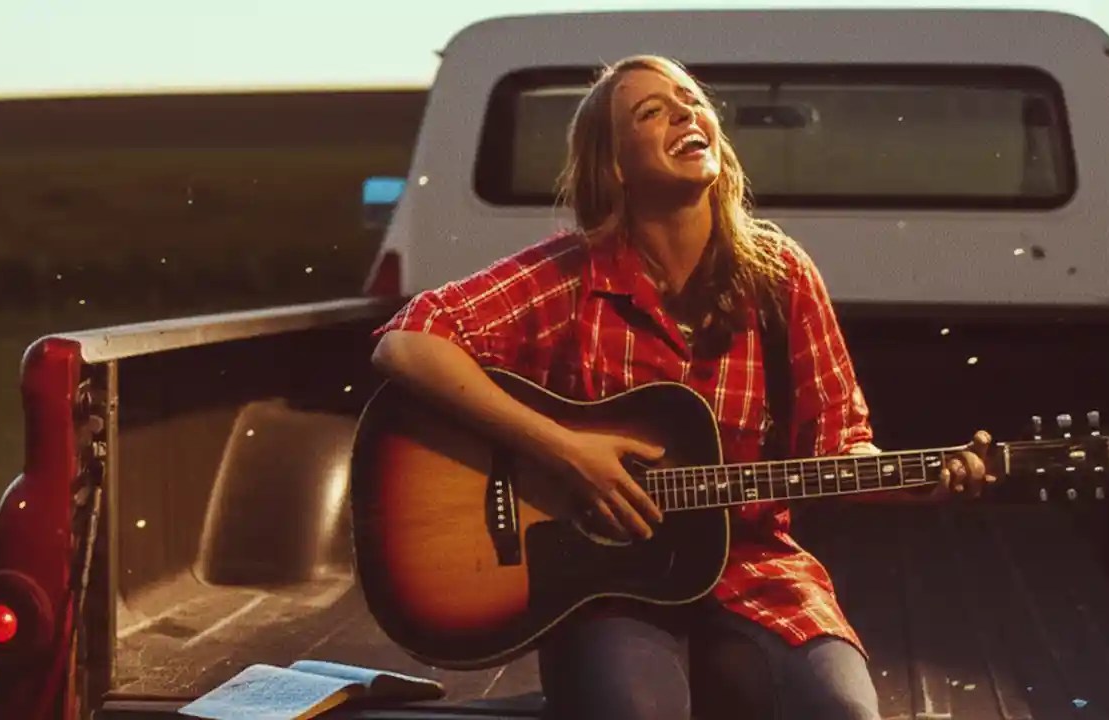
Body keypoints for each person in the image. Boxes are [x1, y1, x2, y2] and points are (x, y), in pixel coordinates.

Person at [371, 55, 992, 720]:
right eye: (652, 111)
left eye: (692, 101)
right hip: (607, 587)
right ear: (614, 165)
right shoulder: (571, 275)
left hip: (755, 569)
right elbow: (406, 341)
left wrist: (917, 481)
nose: (685, 113)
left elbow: (840, 448)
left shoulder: (781, 276)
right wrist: (566, 452)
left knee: (844, 713)